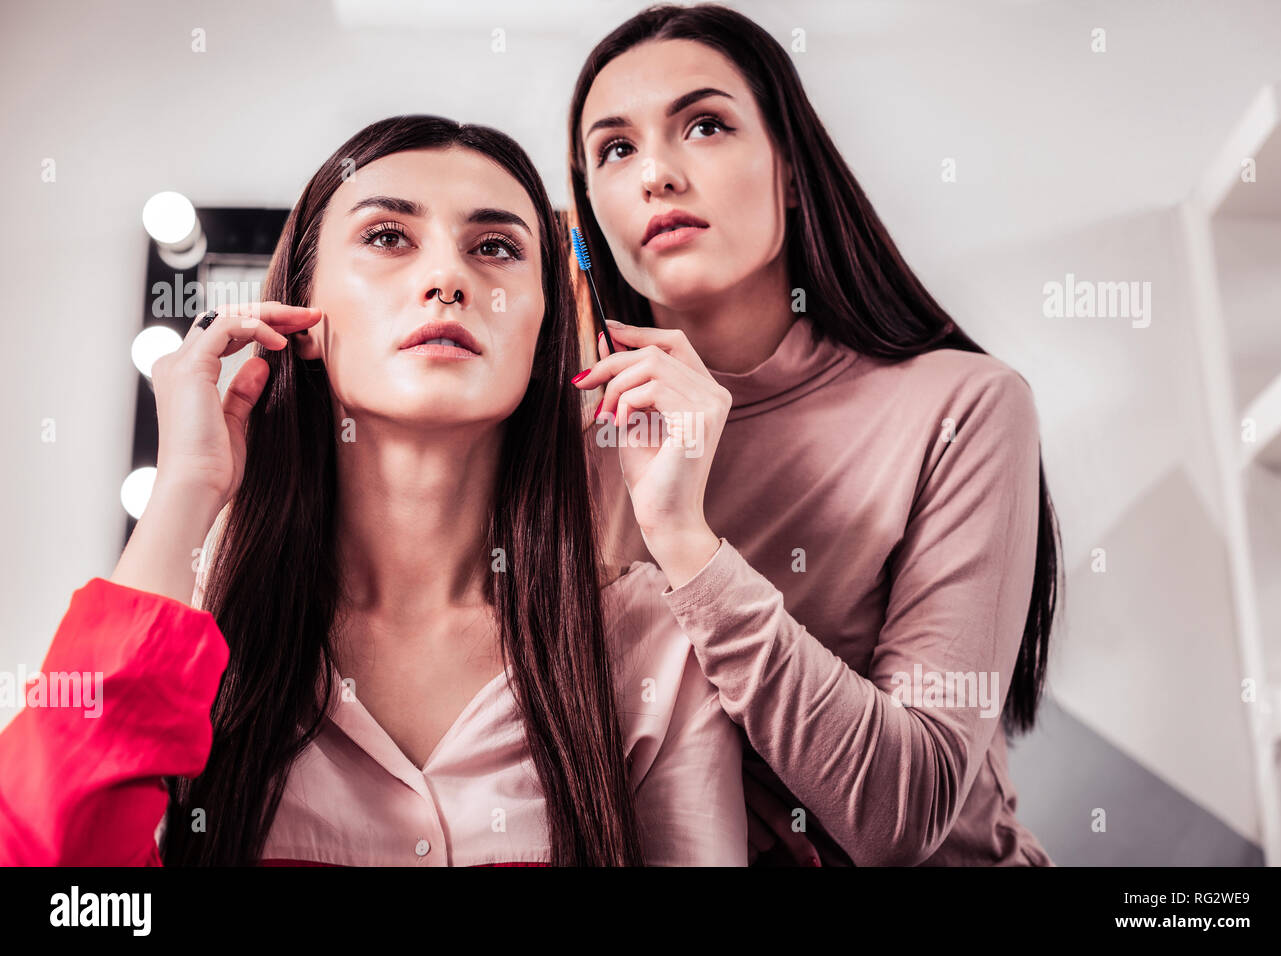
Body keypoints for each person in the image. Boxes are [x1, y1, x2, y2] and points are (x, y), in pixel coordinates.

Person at [0, 114, 746, 867]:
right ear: (301, 316)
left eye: (495, 248)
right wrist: (184, 490)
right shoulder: (190, 629)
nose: (448, 279)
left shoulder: (651, 645)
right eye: (388, 236)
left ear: (544, 326)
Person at [565, 4, 1059, 866]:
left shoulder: (965, 406)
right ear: (589, 214)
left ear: (791, 170)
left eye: (705, 126)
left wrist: (686, 540)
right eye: (616, 148)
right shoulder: (560, 444)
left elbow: (900, 815)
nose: (657, 175)